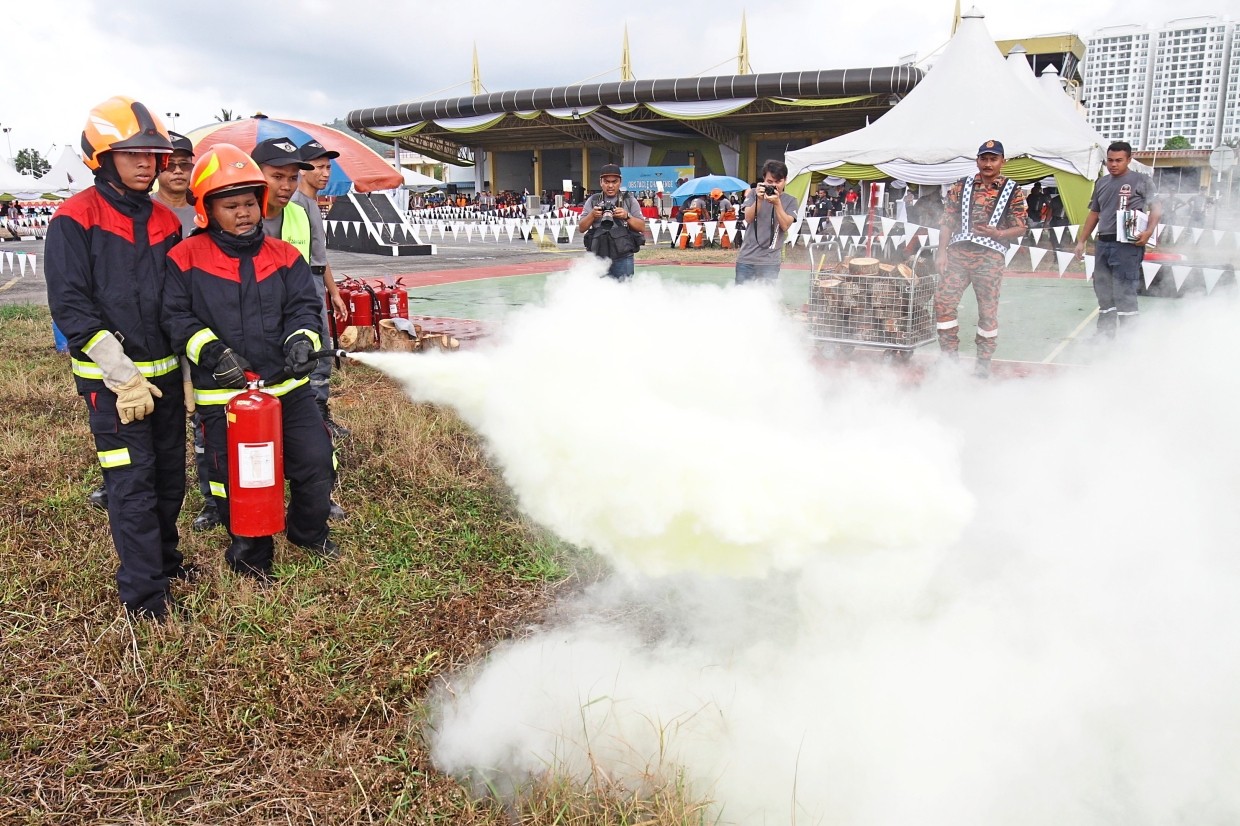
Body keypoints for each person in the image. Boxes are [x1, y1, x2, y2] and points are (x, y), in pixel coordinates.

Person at [163, 143, 338, 582]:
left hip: (287, 390)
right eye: (230, 205)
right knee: (234, 482)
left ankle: (309, 533)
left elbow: (303, 307)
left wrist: (302, 339)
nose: (243, 213)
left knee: (317, 463)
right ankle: (250, 555)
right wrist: (213, 352)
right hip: (223, 397)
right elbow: (175, 317)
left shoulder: (283, 256)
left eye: (248, 203)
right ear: (206, 209)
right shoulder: (184, 258)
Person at [44, 96, 188, 620]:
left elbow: (178, 300)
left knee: (171, 479)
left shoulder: (166, 221)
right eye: (133, 153)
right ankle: (145, 595)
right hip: (113, 387)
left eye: (153, 153)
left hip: (168, 379)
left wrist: (187, 371)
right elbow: (72, 307)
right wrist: (121, 374)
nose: (148, 163)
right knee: (131, 485)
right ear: (102, 158)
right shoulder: (73, 219)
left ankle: (166, 562)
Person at [148, 130, 221, 533]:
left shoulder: (206, 209)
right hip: (152, 332)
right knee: (154, 415)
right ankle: (131, 483)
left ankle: (212, 499)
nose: (177, 171)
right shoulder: (145, 210)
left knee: (202, 416)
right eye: (170, 164)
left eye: (185, 164)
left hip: (197, 327)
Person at [934, 140, 1028, 378]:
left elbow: (1020, 227)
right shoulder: (961, 186)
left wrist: (999, 233)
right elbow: (947, 220)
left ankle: (983, 363)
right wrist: (942, 251)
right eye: (984, 159)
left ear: (1002, 161)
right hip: (957, 256)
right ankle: (949, 359)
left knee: (987, 312)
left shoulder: (1012, 189)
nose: (988, 164)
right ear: (977, 160)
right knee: (943, 303)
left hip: (990, 259)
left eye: (993, 159)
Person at [1072, 141, 1161, 338]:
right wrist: (1082, 240)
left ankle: (1130, 339)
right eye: (1110, 161)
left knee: (1125, 290)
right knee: (1102, 287)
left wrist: (1148, 232)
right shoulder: (1101, 183)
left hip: (1128, 245)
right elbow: (1094, 213)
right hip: (1104, 242)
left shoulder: (1142, 180)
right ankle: (1105, 335)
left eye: (1119, 160)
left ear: (1129, 159)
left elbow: (1156, 208)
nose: (1113, 164)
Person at [294, 138, 350, 440]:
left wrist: (335, 293)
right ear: (303, 170)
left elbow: (322, 256)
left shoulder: (313, 205)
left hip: (317, 282)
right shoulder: (295, 206)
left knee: (322, 349)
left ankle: (319, 414)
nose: (325, 173)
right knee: (317, 352)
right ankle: (315, 419)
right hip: (303, 284)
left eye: (328, 167)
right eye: (318, 167)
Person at [577, 163, 646, 279]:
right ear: (600, 182)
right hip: (598, 255)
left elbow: (641, 227)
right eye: (606, 182)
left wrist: (626, 216)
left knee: (625, 289)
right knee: (600, 290)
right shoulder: (593, 200)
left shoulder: (629, 200)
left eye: (614, 182)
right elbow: (581, 228)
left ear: (620, 182)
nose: (610, 186)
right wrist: (592, 215)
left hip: (623, 254)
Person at [734, 159, 797, 285]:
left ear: (785, 180)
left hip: (770, 261)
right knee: (741, 298)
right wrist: (759, 199)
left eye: (778, 182)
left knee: (767, 299)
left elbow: (785, 226)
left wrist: (777, 203)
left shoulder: (790, 200)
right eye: (770, 181)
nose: (774, 185)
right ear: (763, 179)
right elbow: (748, 218)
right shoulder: (753, 194)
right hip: (746, 258)